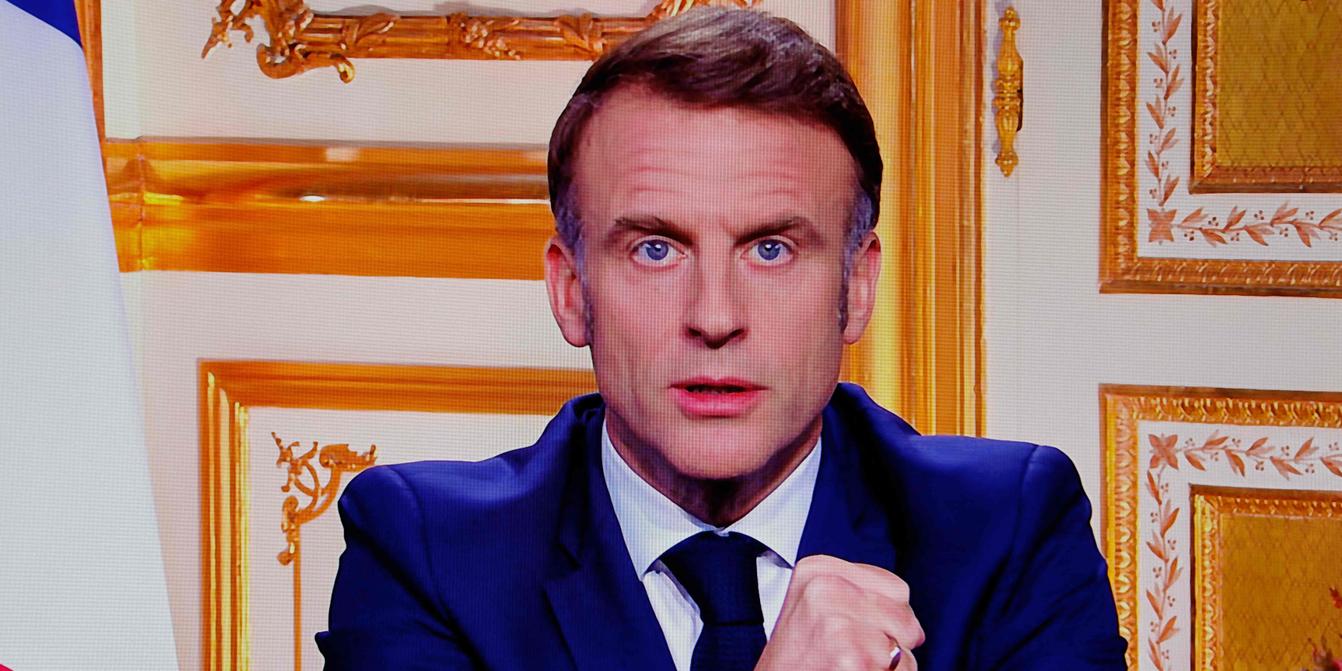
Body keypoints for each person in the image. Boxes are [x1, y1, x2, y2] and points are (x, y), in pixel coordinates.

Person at [316, 7, 1127, 670]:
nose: (714, 315)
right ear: (571, 292)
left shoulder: (1009, 531)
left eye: (770, 249)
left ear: (855, 288)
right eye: (656, 249)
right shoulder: (427, 554)